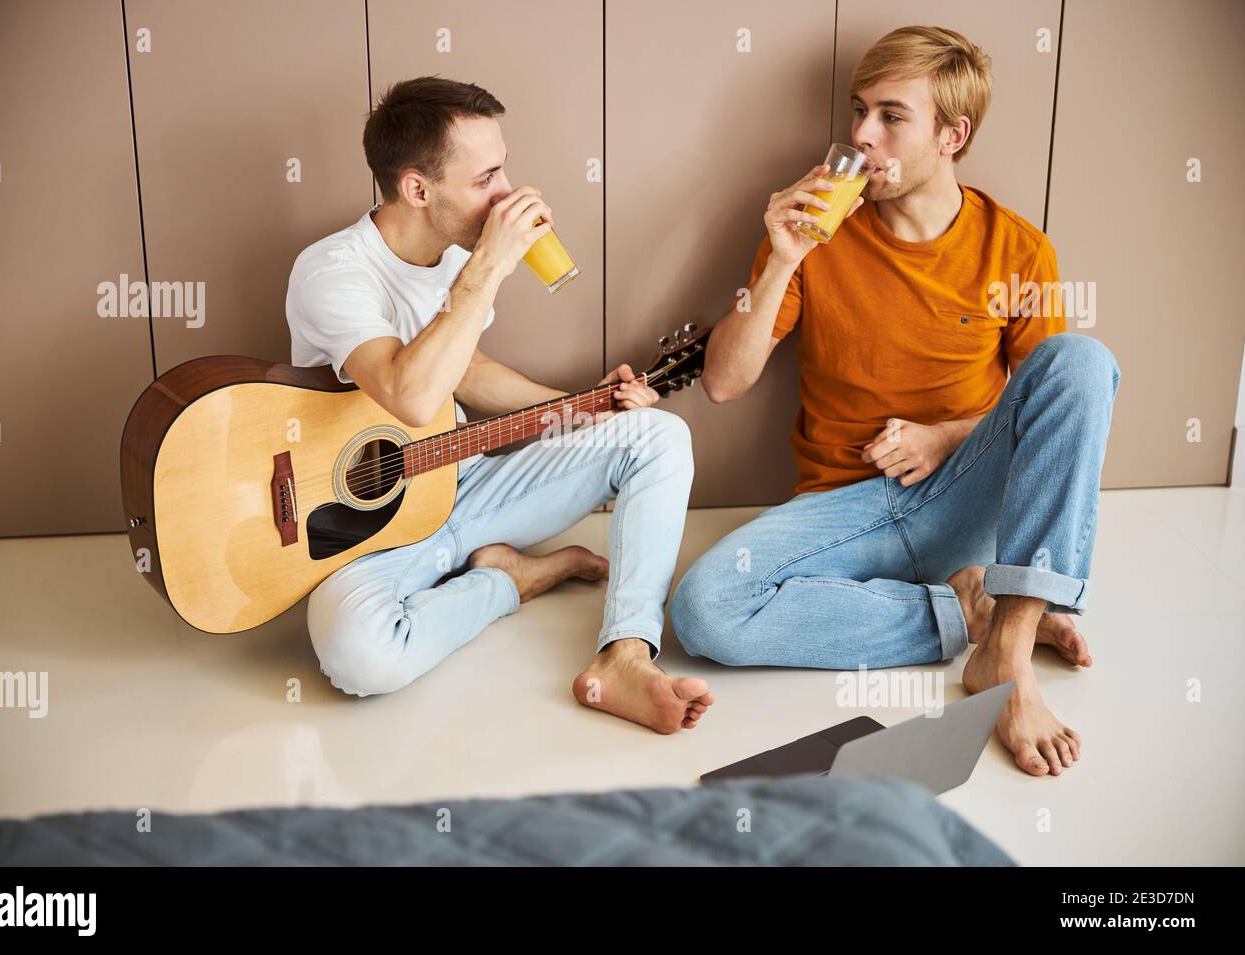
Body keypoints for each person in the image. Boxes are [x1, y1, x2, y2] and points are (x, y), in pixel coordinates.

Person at [670, 26, 1120, 776]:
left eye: (890, 116)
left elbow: (1052, 407)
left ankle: (1006, 653)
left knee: (1081, 361)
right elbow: (723, 380)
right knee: (704, 610)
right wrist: (784, 259)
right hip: (846, 512)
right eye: (858, 112)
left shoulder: (1016, 248)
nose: (860, 136)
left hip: (964, 501)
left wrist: (947, 439)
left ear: (952, 135)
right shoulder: (816, 231)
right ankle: (976, 613)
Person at [287, 77, 712, 734]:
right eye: (486, 176)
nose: (508, 192)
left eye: (503, 167)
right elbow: (410, 391)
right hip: (365, 529)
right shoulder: (332, 272)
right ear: (418, 189)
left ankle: (625, 656)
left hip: (463, 483)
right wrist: (486, 269)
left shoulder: (453, 257)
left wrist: (585, 407)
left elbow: (467, 372)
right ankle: (511, 579)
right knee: (359, 656)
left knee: (658, 435)